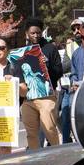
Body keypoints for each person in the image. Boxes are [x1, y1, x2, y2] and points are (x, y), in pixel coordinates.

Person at [20, 18, 63, 148]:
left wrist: (46, 65)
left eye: (38, 32)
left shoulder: (50, 48)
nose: (36, 35)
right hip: (29, 97)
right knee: (31, 133)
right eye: (32, 33)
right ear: (27, 33)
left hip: (47, 95)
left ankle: (57, 155)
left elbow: (59, 71)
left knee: (49, 128)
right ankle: (35, 159)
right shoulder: (23, 51)